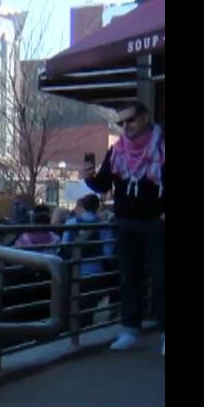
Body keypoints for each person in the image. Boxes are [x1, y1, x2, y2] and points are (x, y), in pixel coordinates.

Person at [83, 101, 164, 354]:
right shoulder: (117, 151)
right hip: (126, 222)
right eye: (121, 123)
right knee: (129, 277)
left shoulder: (162, 146)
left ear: (146, 117)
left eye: (131, 120)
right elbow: (103, 185)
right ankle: (130, 329)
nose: (126, 126)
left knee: (162, 279)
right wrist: (89, 177)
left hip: (156, 223)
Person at [61, 194, 115, 321]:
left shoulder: (71, 223)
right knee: (89, 306)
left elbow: (64, 246)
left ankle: (74, 328)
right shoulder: (104, 226)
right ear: (97, 207)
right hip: (95, 271)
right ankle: (84, 327)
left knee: (74, 303)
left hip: (74, 269)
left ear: (83, 205)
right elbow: (108, 252)